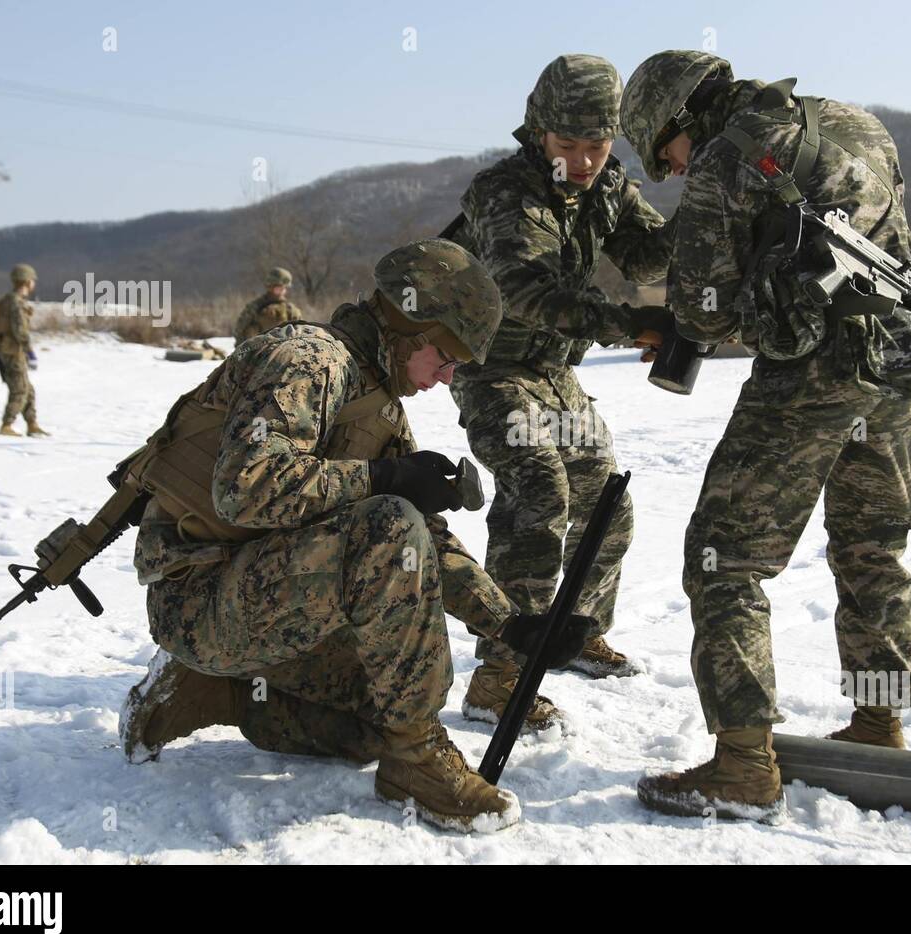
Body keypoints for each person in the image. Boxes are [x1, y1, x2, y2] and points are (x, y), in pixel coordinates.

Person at [119, 239, 593, 833]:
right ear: (411, 327)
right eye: (445, 358)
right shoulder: (309, 360)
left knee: (378, 717)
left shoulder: (379, 404)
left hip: (274, 602)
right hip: (201, 597)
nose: (446, 378)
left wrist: (512, 625)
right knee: (388, 528)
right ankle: (416, 760)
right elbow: (246, 486)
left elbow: (426, 539)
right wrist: (384, 478)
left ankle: (215, 692)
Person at [620, 51, 911, 820]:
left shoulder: (722, 158)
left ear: (679, 120)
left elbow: (700, 311)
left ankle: (741, 762)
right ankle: (877, 723)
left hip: (815, 372)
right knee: (872, 547)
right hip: (898, 361)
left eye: (663, 153)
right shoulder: (853, 122)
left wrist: (730, 307)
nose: (670, 170)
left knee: (724, 554)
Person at [450, 54, 675, 731]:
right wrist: (626, 322)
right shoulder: (505, 193)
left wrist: (717, 224)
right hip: (492, 370)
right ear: (537, 133)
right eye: (566, 146)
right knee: (540, 490)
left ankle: (575, 632)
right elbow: (528, 292)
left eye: (596, 146)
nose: (581, 160)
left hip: (553, 374)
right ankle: (499, 674)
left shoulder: (605, 184)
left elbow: (647, 255)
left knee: (610, 503)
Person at [0, 264, 49, 437]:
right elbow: (20, 330)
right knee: (20, 389)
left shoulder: (9, 300)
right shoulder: (16, 303)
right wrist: (29, 351)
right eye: (32, 280)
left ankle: (32, 424)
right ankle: (6, 425)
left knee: (28, 389)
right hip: (13, 351)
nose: (34, 283)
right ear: (26, 281)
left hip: (9, 350)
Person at [233, 267, 302, 344]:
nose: (282, 289)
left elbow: (299, 331)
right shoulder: (255, 307)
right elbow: (239, 330)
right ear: (271, 286)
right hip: (257, 350)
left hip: (283, 349)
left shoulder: (291, 309)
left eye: (284, 287)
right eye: (279, 287)